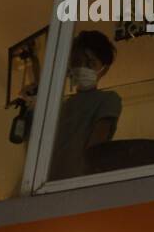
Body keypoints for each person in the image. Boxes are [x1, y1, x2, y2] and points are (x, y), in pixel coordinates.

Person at [50, 30, 123, 179]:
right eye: (77, 62)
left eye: (91, 63)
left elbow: (97, 146)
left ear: (104, 69)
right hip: (49, 178)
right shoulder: (61, 105)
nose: (82, 67)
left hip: (77, 179)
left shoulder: (108, 100)